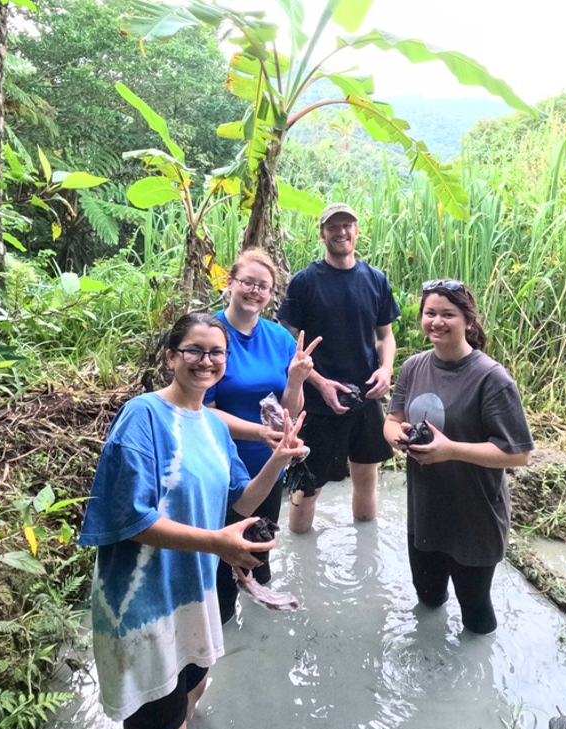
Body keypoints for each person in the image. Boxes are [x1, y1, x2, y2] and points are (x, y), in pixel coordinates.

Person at [79, 312, 305, 729]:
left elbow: (240, 502)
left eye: (217, 352)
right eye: (194, 351)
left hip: (195, 596)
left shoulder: (215, 426)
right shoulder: (142, 415)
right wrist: (218, 543)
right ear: (171, 357)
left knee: (193, 694)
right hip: (143, 605)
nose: (207, 361)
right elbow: (129, 517)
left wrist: (278, 458)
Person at [383, 279, 534, 634]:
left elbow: (518, 454)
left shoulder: (491, 378)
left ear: (468, 320)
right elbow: (391, 420)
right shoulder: (414, 367)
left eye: (448, 314)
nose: (437, 322)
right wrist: (398, 438)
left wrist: (450, 450)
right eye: (430, 313)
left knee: (476, 614)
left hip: (474, 517)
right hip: (425, 511)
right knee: (428, 599)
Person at [203, 248, 319, 623]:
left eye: (263, 286)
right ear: (230, 283)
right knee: (222, 562)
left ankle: (258, 629)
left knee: (259, 549)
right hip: (220, 466)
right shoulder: (210, 335)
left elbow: (291, 409)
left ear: (271, 293)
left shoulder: (279, 338)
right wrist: (258, 432)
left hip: (269, 466)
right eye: (247, 282)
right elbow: (202, 409)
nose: (255, 291)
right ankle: (222, 629)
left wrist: (296, 380)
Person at [278, 202, 399, 533]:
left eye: (347, 225)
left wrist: (386, 369)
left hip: (365, 398)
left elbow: (385, 336)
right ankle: (300, 555)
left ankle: (366, 553)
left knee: (367, 481)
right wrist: (320, 382)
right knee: (306, 488)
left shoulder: (375, 280)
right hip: (317, 406)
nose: (341, 232)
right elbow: (287, 345)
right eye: (333, 227)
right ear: (322, 234)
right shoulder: (305, 282)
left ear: (357, 231)